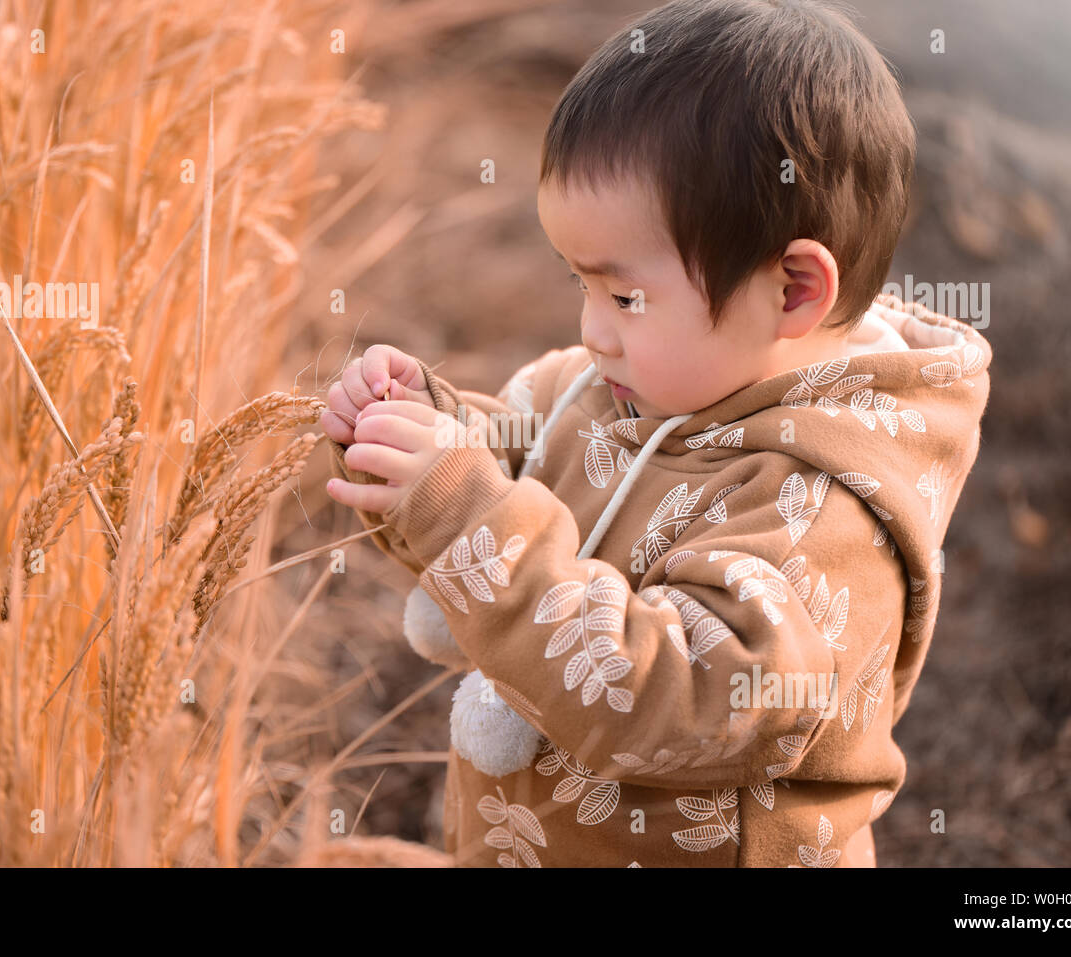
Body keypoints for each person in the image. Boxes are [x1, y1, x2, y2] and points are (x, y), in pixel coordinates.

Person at [320, 0, 992, 866]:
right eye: (580, 283)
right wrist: (418, 436)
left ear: (792, 290)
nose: (594, 329)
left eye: (625, 295)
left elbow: (674, 701)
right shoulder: (608, 384)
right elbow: (508, 473)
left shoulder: (821, 511)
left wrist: (463, 510)